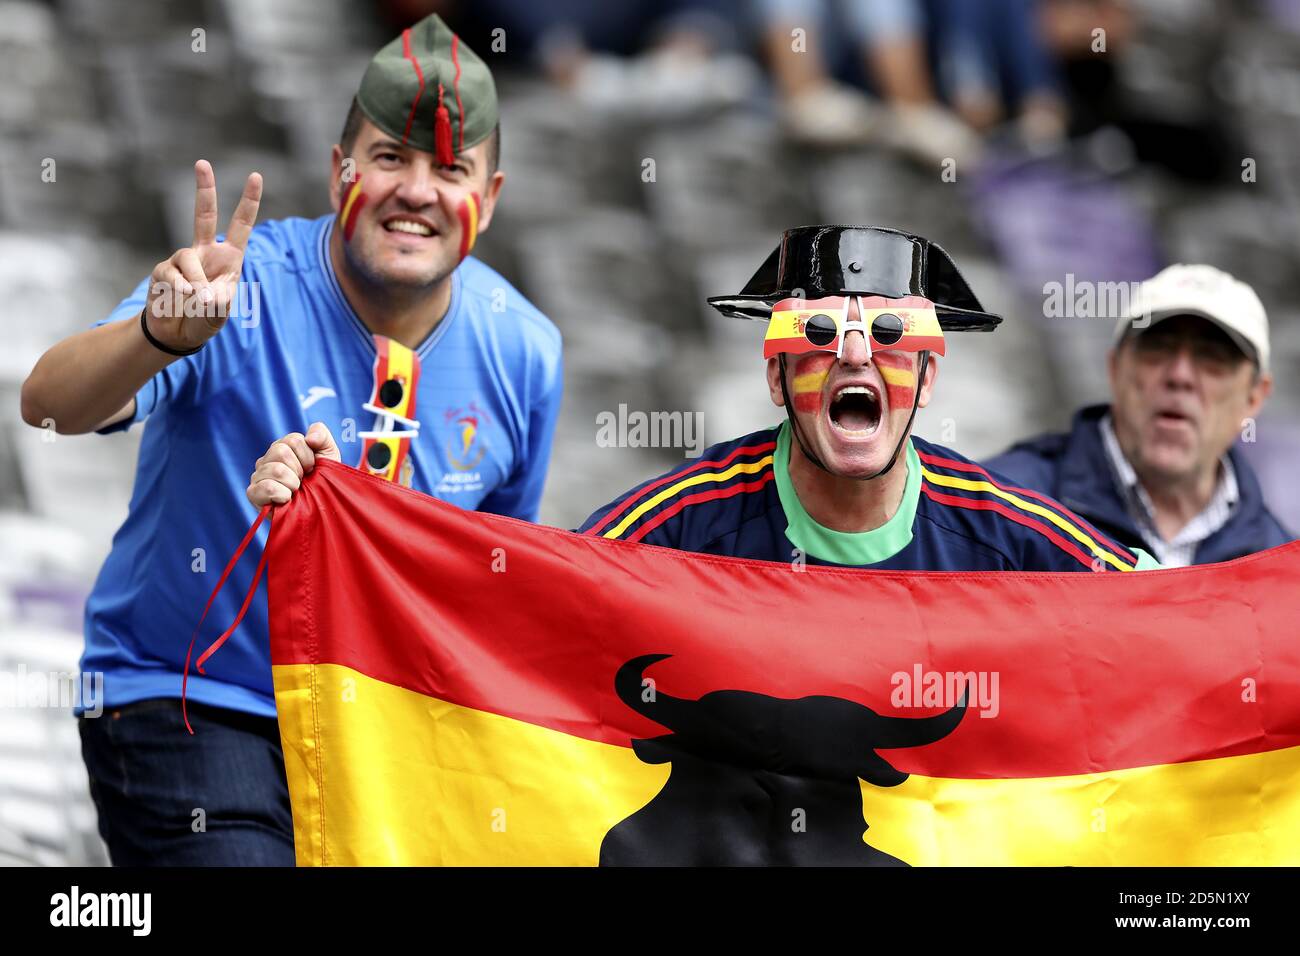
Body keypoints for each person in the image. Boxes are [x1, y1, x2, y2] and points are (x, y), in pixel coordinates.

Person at [19, 13, 562, 865]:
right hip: (191, 701)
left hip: (377, 728)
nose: (417, 191)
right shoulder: (236, 287)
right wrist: (157, 337)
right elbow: (48, 408)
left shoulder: (525, 351)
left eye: (449, 169)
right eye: (389, 159)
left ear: (488, 202)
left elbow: (487, 579)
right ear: (340, 170)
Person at [253, 226, 1155, 575]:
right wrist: (342, 511)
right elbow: (522, 590)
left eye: (889, 341)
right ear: (774, 378)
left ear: (926, 378)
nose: (857, 362)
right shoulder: (689, 517)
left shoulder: (1003, 532)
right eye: (814, 342)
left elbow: (1167, 622)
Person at [989, 264, 1289, 566]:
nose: (1179, 375)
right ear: (1115, 368)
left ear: (1255, 396)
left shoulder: (1283, 569)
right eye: (1158, 347)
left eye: (1213, 357)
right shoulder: (996, 510)